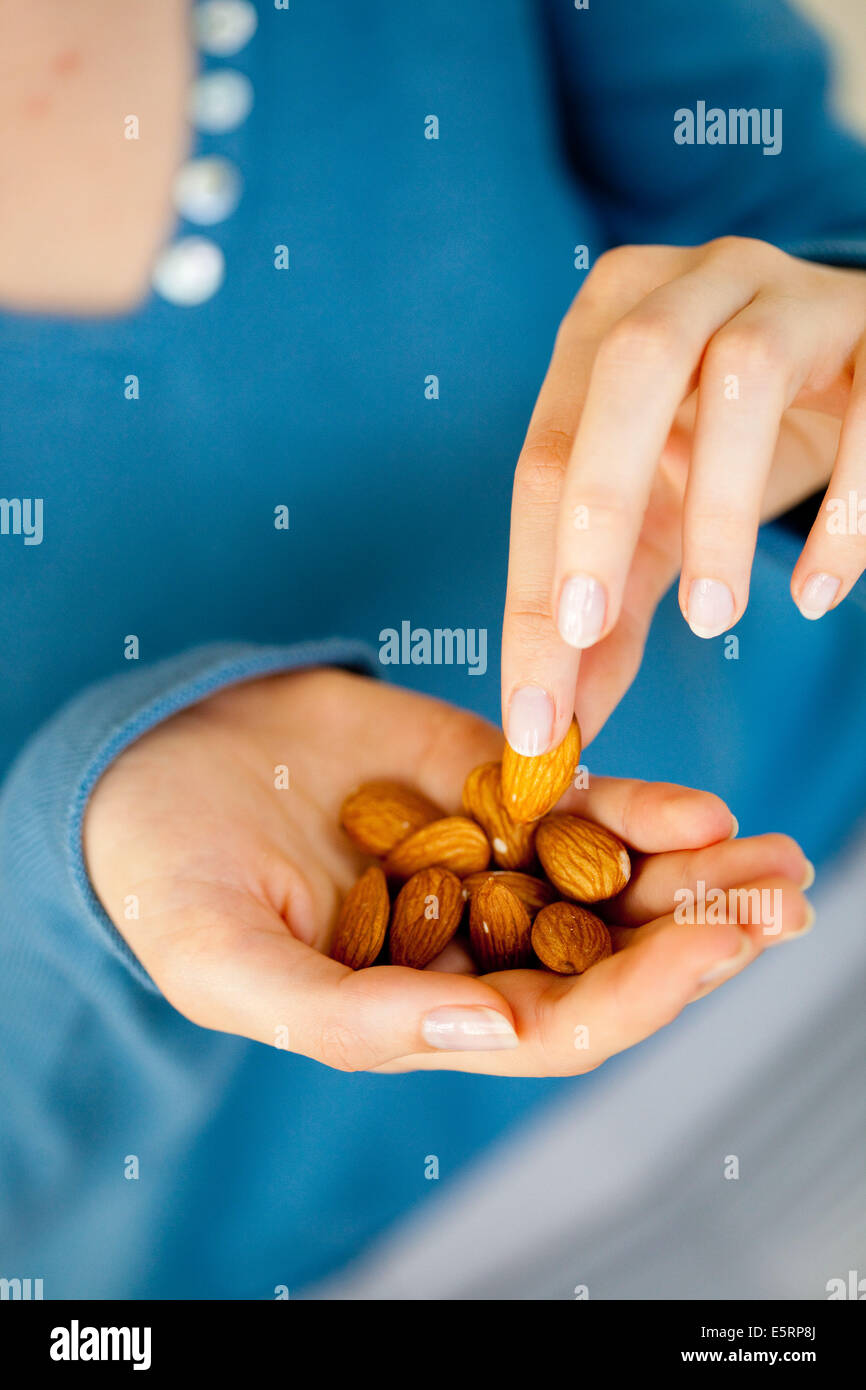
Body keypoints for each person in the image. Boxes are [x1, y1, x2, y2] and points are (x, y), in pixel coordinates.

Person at [1, 0, 864, 1299]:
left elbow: (784, 203)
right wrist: (89, 857)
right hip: (341, 1260)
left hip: (819, 911)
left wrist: (822, 355)